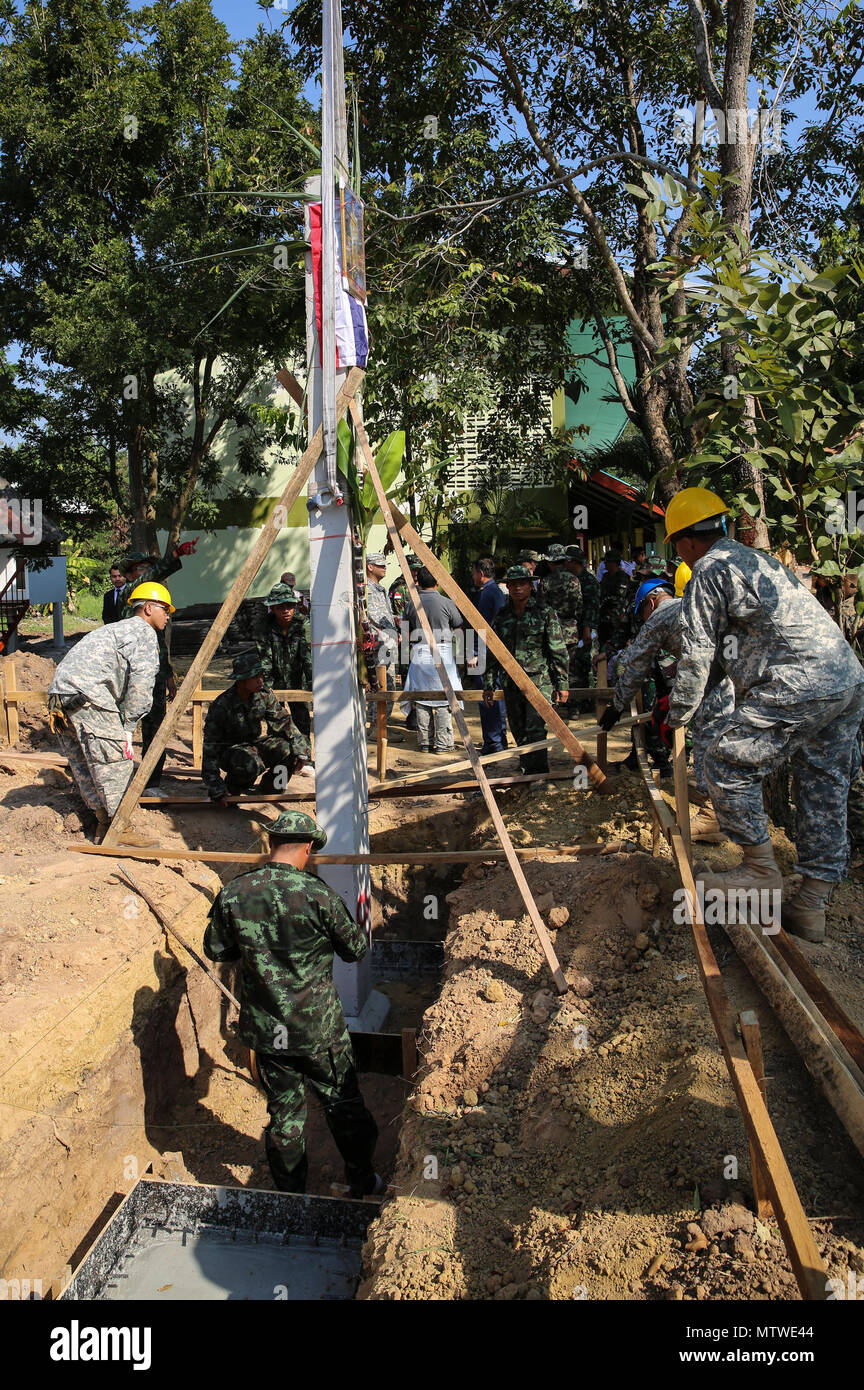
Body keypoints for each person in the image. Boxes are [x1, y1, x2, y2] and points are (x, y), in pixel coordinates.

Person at [665, 486, 864, 942]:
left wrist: (678, 714)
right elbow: (718, 657)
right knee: (823, 782)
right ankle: (811, 904)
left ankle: (759, 871)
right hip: (846, 678)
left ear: (685, 541)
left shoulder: (708, 570)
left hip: (801, 683)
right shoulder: (759, 559)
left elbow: (697, 655)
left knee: (723, 759)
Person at [203, 810, 381, 1197]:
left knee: (285, 1117)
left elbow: (216, 948)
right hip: (320, 1032)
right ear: (306, 847)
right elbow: (354, 950)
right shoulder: (318, 895)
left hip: (269, 1034)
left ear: (271, 844)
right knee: (344, 1106)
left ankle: (289, 1198)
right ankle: (363, 1183)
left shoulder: (235, 891)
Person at [599, 577, 734, 838]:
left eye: (642, 613)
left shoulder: (660, 617)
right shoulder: (694, 606)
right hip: (723, 683)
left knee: (708, 745)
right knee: (722, 745)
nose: (643, 618)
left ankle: (713, 819)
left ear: (650, 602)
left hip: (704, 686)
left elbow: (633, 666)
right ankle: (726, 811)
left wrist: (616, 706)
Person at [47, 582, 173, 832]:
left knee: (86, 763)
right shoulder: (144, 633)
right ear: (148, 608)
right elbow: (141, 684)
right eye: (165, 610)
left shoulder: (118, 629)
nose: (168, 616)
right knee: (116, 763)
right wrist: (128, 728)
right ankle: (121, 831)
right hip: (88, 696)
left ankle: (103, 822)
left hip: (60, 695)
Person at [117, 539, 197, 796]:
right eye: (141, 569)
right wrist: (173, 556)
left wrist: (169, 680)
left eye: (147, 568)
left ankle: (151, 782)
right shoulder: (131, 597)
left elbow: (162, 651)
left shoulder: (156, 615)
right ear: (129, 575)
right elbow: (149, 579)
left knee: (156, 731)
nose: (146, 573)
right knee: (121, 730)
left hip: (153, 680)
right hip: (128, 679)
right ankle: (118, 780)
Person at [482, 564, 568, 778]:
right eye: (513, 584)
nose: (518, 588)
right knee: (519, 730)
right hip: (511, 684)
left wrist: (562, 684)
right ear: (508, 587)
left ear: (531, 585)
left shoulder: (544, 613)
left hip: (538, 682)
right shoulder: (502, 616)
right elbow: (494, 652)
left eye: (522, 583)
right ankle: (526, 772)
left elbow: (557, 649)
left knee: (536, 730)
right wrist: (489, 684)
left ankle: (538, 776)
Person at [202, 650, 310, 805]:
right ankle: (231, 790)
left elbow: (284, 721)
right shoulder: (222, 705)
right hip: (231, 752)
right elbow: (210, 747)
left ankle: (272, 789)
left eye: (261, 675)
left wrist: (301, 751)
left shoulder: (264, 695)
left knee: (289, 750)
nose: (260, 680)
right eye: (255, 677)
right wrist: (215, 785)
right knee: (250, 764)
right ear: (241, 680)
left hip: (254, 745)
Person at [401, 567, 463, 752]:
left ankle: (425, 743)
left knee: (421, 699)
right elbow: (459, 628)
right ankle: (443, 744)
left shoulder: (410, 604)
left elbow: (405, 634)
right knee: (444, 700)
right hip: (443, 653)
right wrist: (459, 653)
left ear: (417, 582)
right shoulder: (446, 603)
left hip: (419, 654)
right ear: (437, 582)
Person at [256, 582, 313, 737]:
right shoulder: (264, 626)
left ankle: (303, 758)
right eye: (280, 607)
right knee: (275, 723)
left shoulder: (303, 624)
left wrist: (311, 685)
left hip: (297, 680)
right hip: (274, 681)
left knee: (301, 723)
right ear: (272, 608)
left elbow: (307, 657)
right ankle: (277, 758)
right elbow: (264, 659)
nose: (286, 611)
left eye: (289, 606)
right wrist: (267, 687)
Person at [465, 557, 508, 753]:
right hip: (484, 651)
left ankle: (495, 742)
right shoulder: (490, 592)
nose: (473, 576)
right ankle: (496, 740)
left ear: (481, 574)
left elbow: (492, 628)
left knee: (489, 696)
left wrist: (479, 653)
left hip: (485, 652)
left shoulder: (491, 593)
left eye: (473, 572)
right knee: (491, 696)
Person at [539, 543, 583, 719]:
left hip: (551, 631)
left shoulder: (546, 582)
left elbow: (541, 608)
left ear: (550, 562)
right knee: (571, 668)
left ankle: (554, 704)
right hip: (570, 630)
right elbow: (579, 607)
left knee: (553, 667)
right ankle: (574, 708)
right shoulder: (574, 580)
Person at [564, 546, 600, 700]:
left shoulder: (588, 580)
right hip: (575, 629)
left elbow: (592, 606)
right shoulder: (572, 579)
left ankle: (587, 700)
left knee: (586, 664)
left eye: (567, 560)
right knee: (576, 664)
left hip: (586, 629)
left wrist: (587, 628)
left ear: (573, 561)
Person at [365, 553, 398, 689]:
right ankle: (373, 712)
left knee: (389, 688)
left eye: (385, 565)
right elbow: (374, 618)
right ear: (370, 567)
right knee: (381, 689)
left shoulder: (380, 589)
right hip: (378, 645)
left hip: (387, 644)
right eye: (380, 565)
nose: (384, 568)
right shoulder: (367, 589)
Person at [597, 550, 631, 660]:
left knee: (616, 643)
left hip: (616, 616)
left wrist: (606, 600)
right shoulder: (606, 576)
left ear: (614, 562)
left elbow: (620, 596)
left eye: (607, 562)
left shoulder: (622, 576)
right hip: (604, 617)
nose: (605, 564)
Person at [388, 554, 422, 621]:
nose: (416, 573)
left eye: (418, 570)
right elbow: (400, 613)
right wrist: (405, 630)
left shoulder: (423, 583)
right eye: (413, 570)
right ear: (405, 569)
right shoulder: (399, 587)